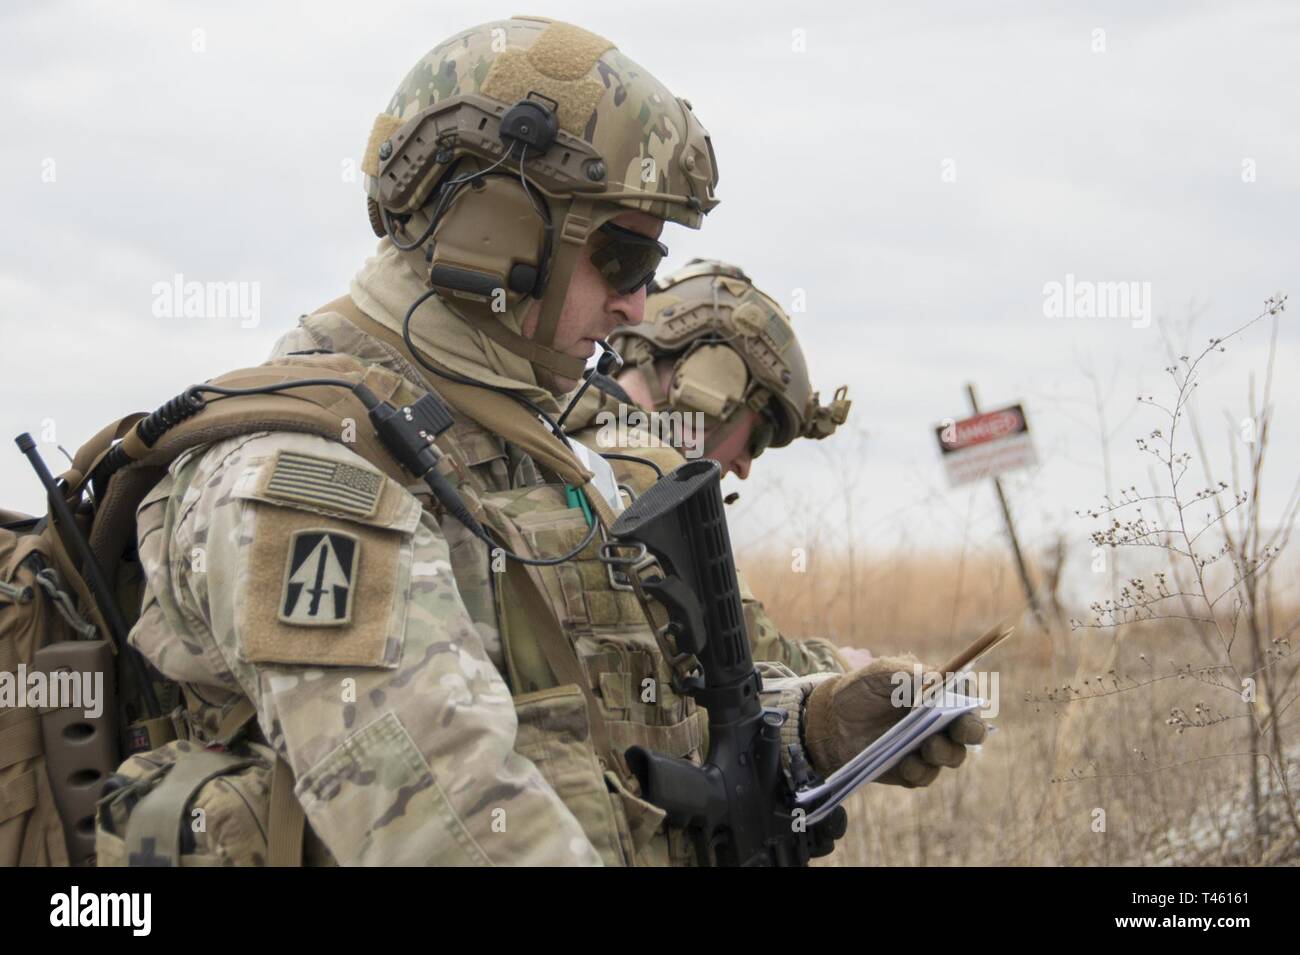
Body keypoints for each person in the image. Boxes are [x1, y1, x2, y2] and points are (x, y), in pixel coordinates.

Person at [105, 17, 986, 867]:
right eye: (624, 259)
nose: (640, 306)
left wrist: (813, 727)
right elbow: (449, 815)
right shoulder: (304, 479)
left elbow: (627, 729)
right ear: (496, 228)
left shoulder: (533, 447)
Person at [562, 258, 862, 674]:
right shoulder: (650, 471)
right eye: (755, 438)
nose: (743, 467)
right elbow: (748, 658)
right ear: (712, 385)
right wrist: (843, 668)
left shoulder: (556, 428)